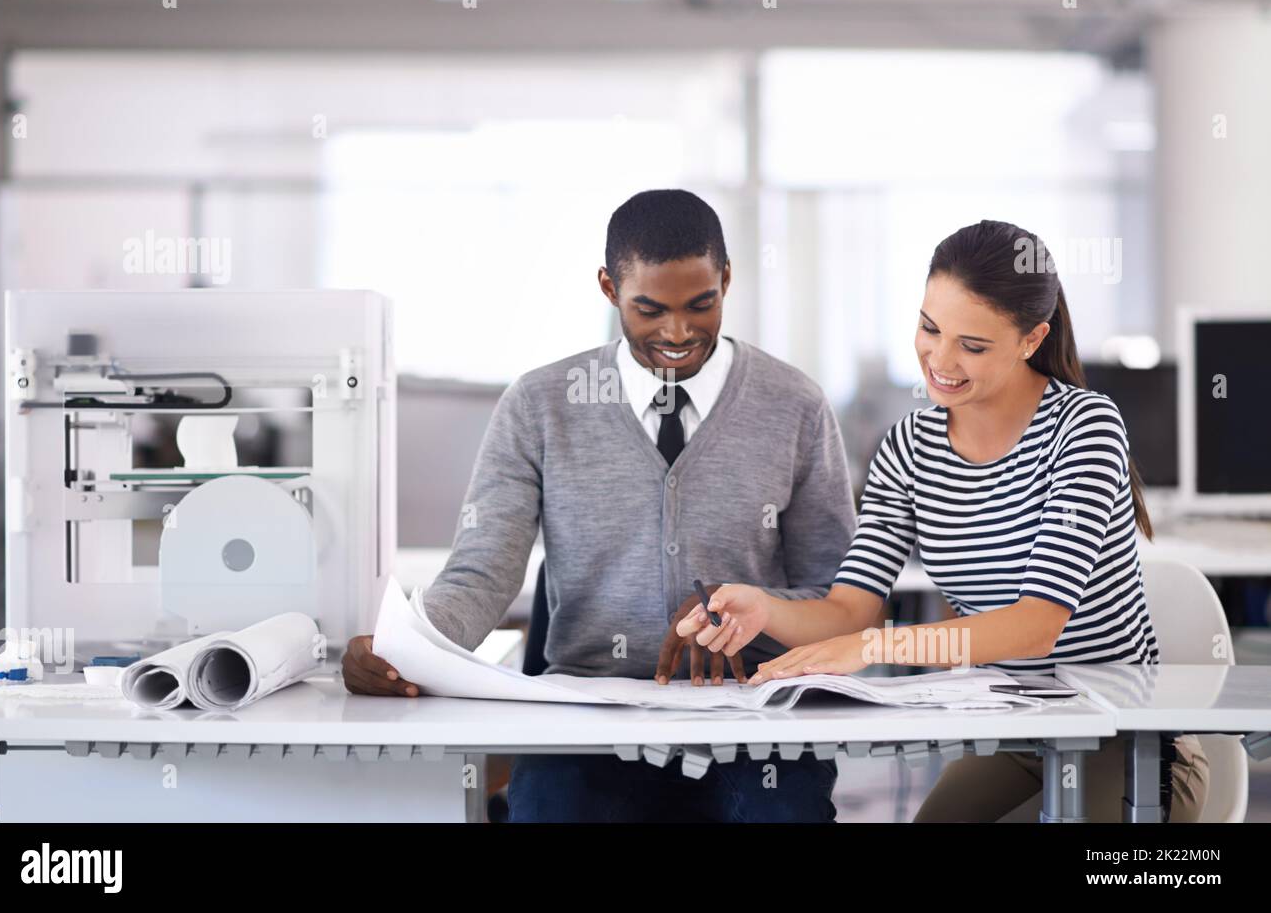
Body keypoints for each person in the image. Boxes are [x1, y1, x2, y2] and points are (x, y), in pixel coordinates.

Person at [342, 188, 857, 822]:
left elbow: (838, 596)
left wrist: (750, 611)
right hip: (586, 718)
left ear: (727, 279)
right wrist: (404, 648)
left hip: (755, 713)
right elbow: (482, 573)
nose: (677, 334)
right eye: (650, 309)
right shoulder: (540, 404)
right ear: (609, 289)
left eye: (702, 305)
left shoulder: (795, 405)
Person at [675, 219, 1209, 822]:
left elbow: (1036, 627)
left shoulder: (1084, 428)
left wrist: (875, 645)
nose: (940, 360)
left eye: (972, 346)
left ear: (1032, 339)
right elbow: (851, 609)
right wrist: (767, 609)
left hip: (1127, 734)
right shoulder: (909, 447)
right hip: (1017, 732)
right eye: (929, 328)